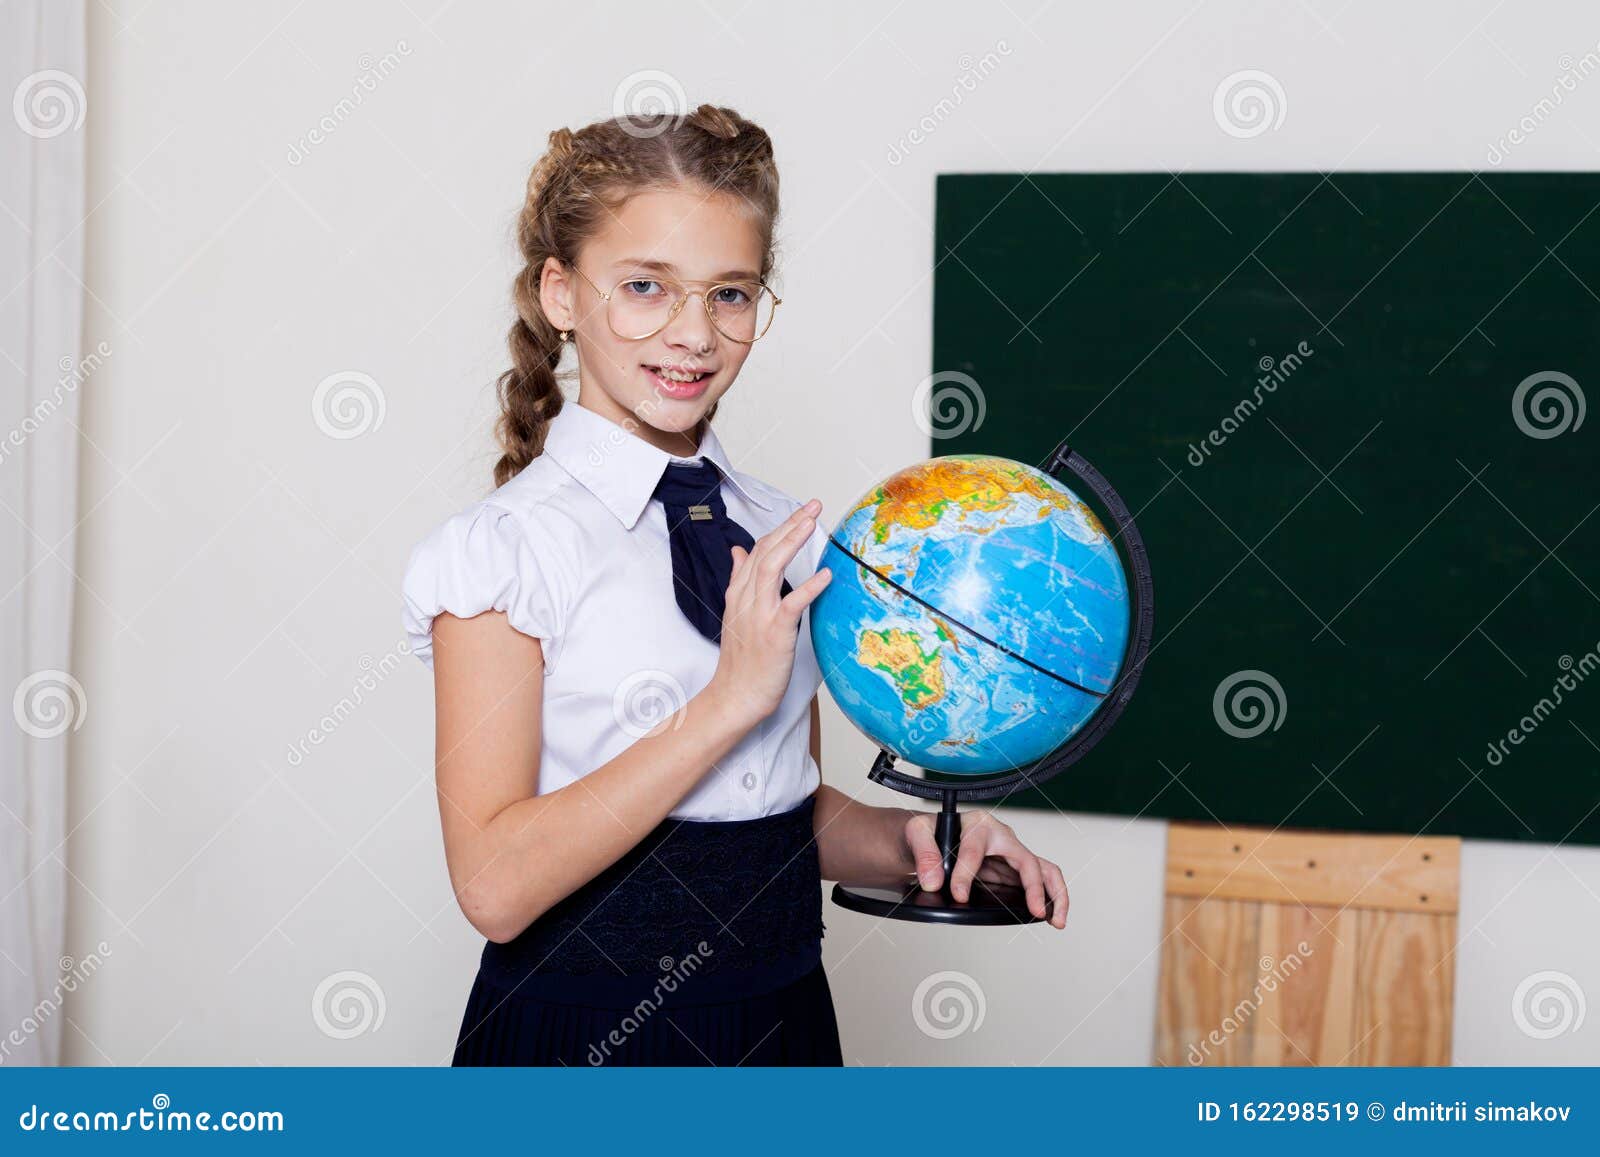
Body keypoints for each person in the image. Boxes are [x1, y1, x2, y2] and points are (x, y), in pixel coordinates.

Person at [400, 104, 1069, 1067]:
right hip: (583, 1039)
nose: (693, 334)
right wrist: (725, 700)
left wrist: (919, 840)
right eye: (644, 286)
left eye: (731, 294)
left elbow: (770, 805)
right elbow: (495, 885)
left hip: (782, 1025)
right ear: (559, 291)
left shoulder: (784, 530)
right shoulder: (503, 551)